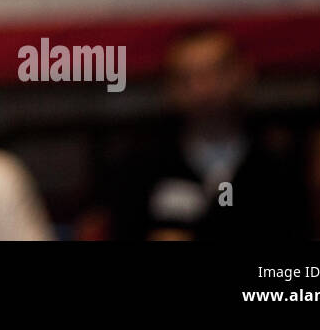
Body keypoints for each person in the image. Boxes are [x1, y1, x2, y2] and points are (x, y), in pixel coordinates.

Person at [108, 28, 305, 239]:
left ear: (244, 73)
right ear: (169, 88)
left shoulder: (281, 161)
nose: (203, 88)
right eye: (187, 78)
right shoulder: (142, 167)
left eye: (216, 72)